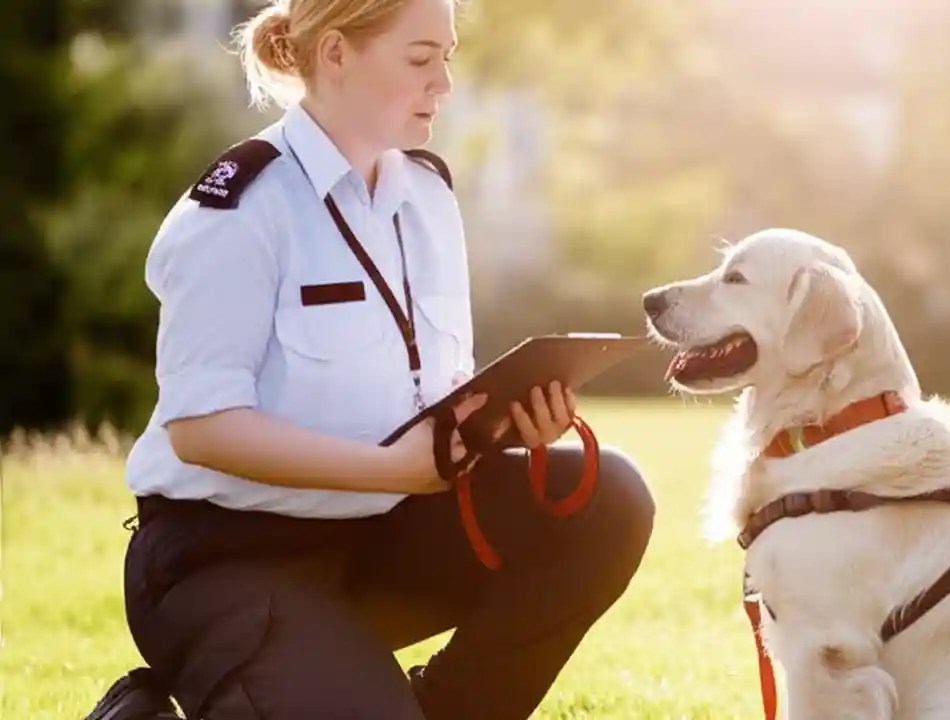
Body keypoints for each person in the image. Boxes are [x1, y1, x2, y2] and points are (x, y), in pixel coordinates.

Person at [82, 1, 656, 718]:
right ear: (335, 55)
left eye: (446, 56)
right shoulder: (238, 208)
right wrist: (391, 470)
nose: (442, 82)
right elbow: (201, 429)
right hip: (224, 558)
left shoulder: (428, 197)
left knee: (607, 501)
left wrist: (504, 426)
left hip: (381, 535)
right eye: (419, 59)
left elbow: (434, 392)